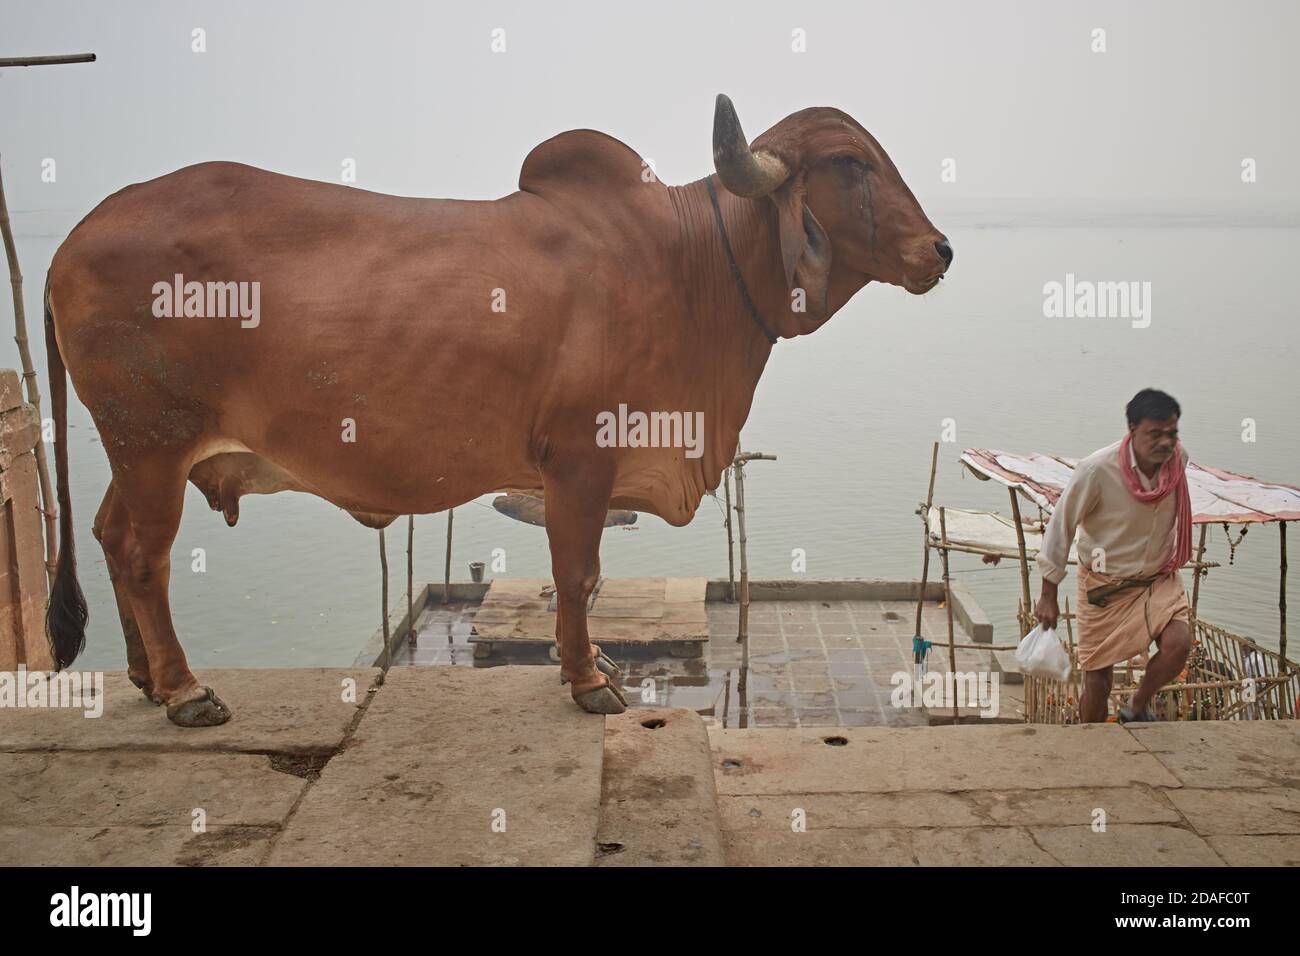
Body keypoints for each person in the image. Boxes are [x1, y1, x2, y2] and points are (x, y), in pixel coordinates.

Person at [1034, 389, 1193, 723]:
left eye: (1172, 433)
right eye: (1155, 433)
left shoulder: (1179, 460)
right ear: (1132, 429)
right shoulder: (1096, 471)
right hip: (1103, 587)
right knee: (1098, 681)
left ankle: (1137, 705)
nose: (1166, 442)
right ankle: (1091, 746)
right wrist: (1048, 595)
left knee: (1179, 644)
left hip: (1157, 578)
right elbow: (1060, 527)